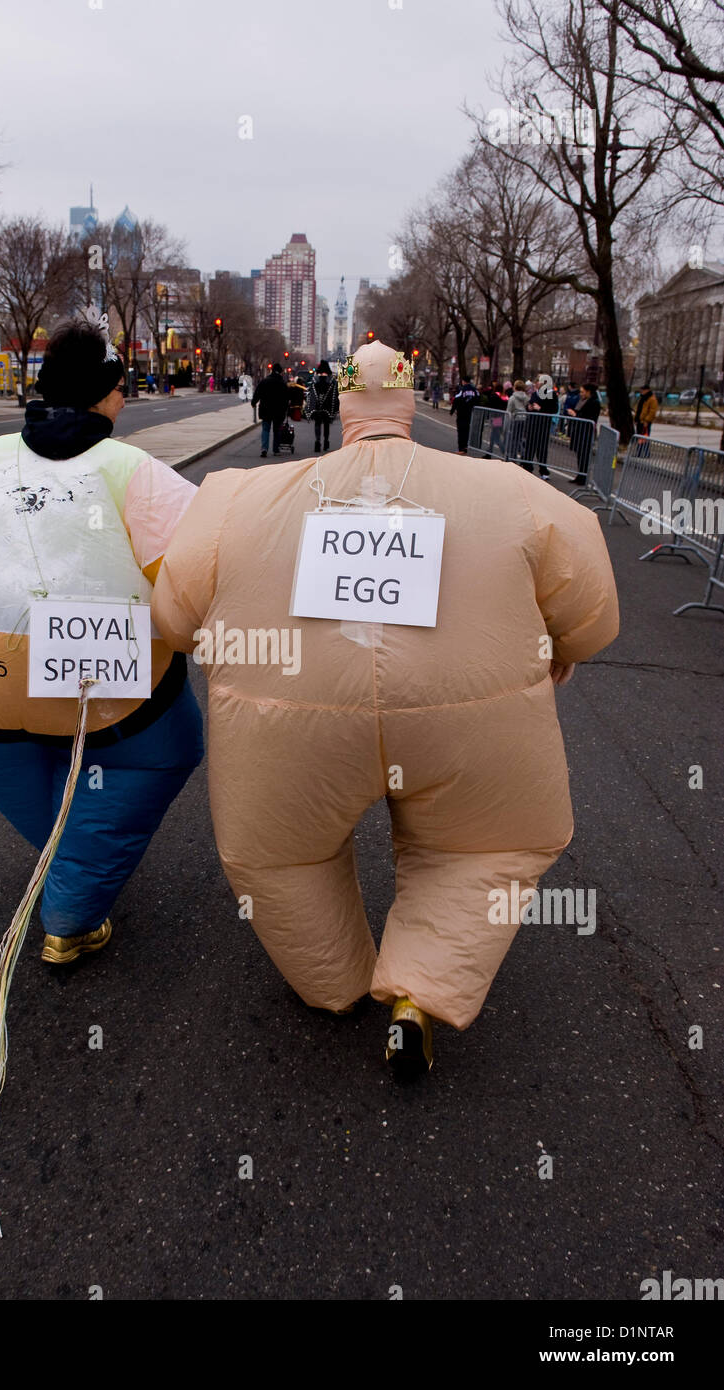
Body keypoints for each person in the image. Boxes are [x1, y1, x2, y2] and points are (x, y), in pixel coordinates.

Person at [152, 341, 619, 1079]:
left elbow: (174, 620)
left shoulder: (236, 496)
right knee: (483, 850)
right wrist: (567, 644)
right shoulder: (513, 492)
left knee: (280, 857)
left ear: (337, 405)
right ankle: (419, 995)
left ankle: (332, 984)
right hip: (472, 722)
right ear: (406, 401)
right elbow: (589, 608)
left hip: (286, 726)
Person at [0, 320, 203, 965]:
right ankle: (70, 913)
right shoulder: (136, 471)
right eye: (121, 387)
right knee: (166, 748)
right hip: (96, 667)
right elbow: (188, 578)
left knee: (16, 750)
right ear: (108, 396)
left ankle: (68, 850)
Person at [252, 362, 289, 457]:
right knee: (277, 430)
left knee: (265, 429)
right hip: (278, 411)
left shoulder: (264, 381)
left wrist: (254, 402)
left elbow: (257, 393)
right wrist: (286, 410)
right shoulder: (283, 384)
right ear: (280, 373)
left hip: (266, 410)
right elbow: (286, 398)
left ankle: (264, 449)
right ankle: (276, 450)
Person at [568, 385, 602, 484]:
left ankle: (583, 477)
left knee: (584, 456)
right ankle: (579, 475)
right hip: (579, 431)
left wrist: (575, 415)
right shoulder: (582, 401)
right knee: (580, 455)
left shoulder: (594, 403)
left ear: (589, 392)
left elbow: (590, 417)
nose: (580, 394)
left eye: (582, 392)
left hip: (586, 432)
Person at [304, 360, 340, 453]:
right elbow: (336, 394)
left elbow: (310, 393)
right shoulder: (332, 380)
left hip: (317, 407)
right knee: (326, 425)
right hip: (327, 407)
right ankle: (326, 442)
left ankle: (317, 441)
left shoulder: (315, 380)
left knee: (317, 424)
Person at [525, 380, 556, 479]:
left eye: (538, 382)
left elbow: (554, 409)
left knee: (542, 449)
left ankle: (543, 471)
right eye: (536, 382)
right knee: (530, 447)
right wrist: (528, 407)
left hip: (543, 426)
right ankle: (528, 468)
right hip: (532, 424)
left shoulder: (551, 394)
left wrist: (541, 409)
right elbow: (529, 404)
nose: (536, 384)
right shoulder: (535, 393)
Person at [449, 374, 480, 454]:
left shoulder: (463, 390)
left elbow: (456, 400)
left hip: (462, 413)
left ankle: (461, 448)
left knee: (461, 430)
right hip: (470, 413)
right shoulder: (474, 390)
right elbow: (478, 398)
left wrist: (452, 411)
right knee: (467, 430)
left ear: (463, 381)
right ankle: (465, 446)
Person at [504, 379, 531, 460]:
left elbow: (508, 411)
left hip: (515, 419)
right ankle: (523, 454)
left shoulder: (512, 398)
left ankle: (512, 457)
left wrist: (505, 425)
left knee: (513, 439)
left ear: (515, 387)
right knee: (520, 438)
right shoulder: (527, 398)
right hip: (524, 419)